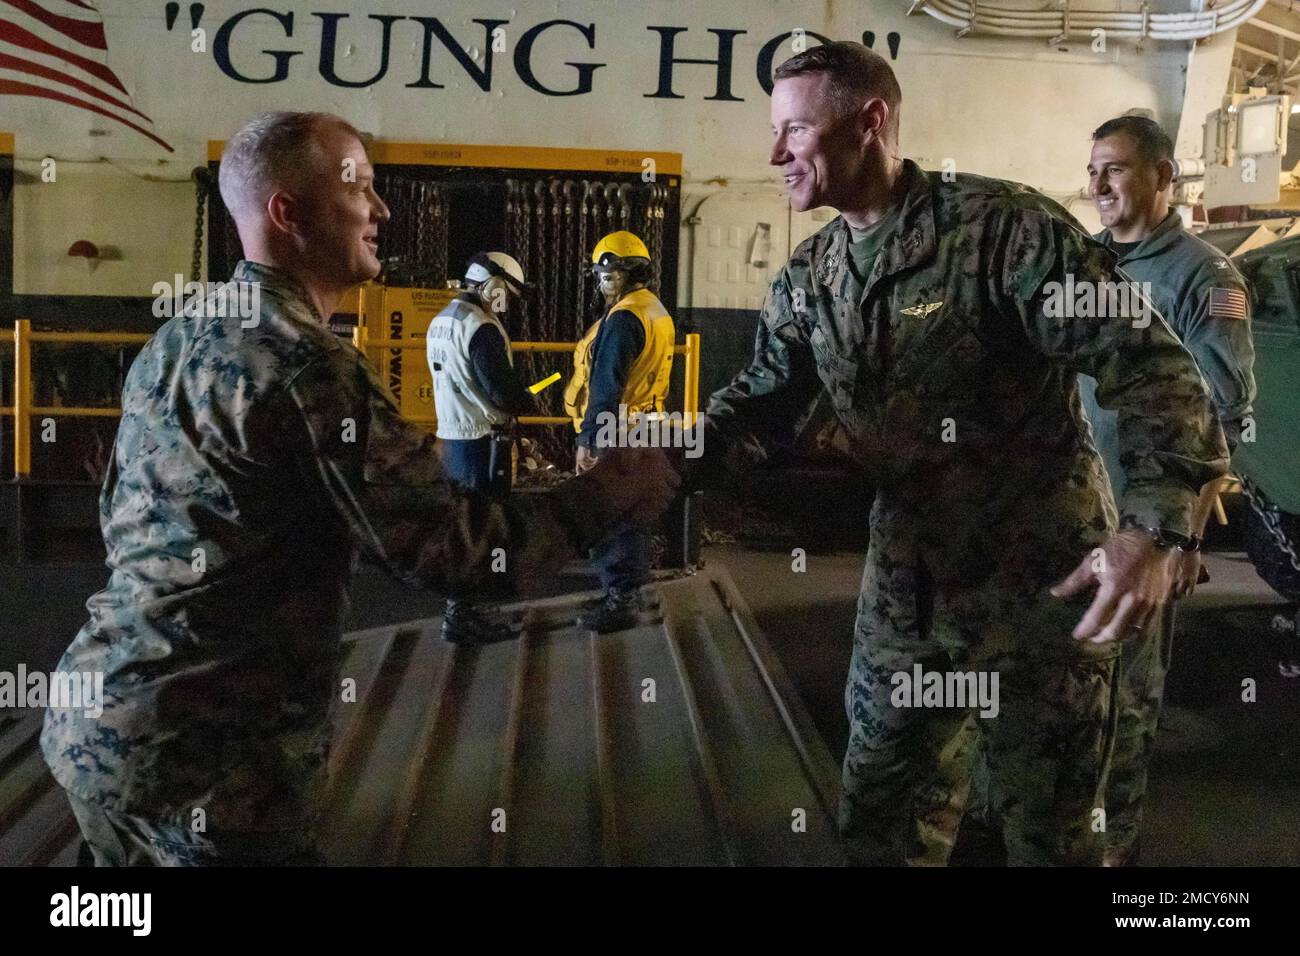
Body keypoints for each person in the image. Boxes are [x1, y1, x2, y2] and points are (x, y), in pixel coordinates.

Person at [39, 111, 679, 866]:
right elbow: (454, 554)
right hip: (214, 766)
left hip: (95, 728)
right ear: (288, 212)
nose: (380, 210)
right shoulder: (312, 366)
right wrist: (603, 497)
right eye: (360, 188)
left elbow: (121, 516)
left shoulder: (181, 334)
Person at [694, 43, 1228, 865]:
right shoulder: (813, 275)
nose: (775, 154)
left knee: (1049, 835)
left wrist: (1154, 528)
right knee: (880, 821)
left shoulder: (1003, 232)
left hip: (1044, 594)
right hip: (907, 592)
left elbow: (1152, 368)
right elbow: (763, 400)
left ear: (869, 122)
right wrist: (660, 460)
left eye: (795, 128)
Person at [1082, 115, 1256, 865]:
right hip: (1069, 514)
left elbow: (1224, 410)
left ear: (1163, 177)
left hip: (1145, 524)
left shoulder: (1203, 277)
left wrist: (1184, 535)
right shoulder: (1078, 267)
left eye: (1115, 169)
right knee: (1057, 680)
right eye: (1092, 170)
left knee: (1124, 692)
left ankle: (1112, 844)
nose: (1098, 185)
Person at [564, 231, 676, 633]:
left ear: (630, 274)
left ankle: (620, 600)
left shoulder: (625, 317)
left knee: (612, 516)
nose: (602, 281)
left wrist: (589, 439)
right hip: (646, 426)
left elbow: (606, 385)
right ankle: (627, 591)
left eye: (609, 274)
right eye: (600, 273)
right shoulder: (654, 310)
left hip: (617, 431)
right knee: (632, 514)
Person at [427, 251, 539, 644]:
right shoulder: (481, 326)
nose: (509, 300)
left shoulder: (443, 320)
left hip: (454, 437)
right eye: (509, 291)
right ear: (493, 286)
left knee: (463, 527)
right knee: (484, 528)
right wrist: (525, 401)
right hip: (482, 440)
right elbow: (499, 389)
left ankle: (463, 611)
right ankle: (467, 616)